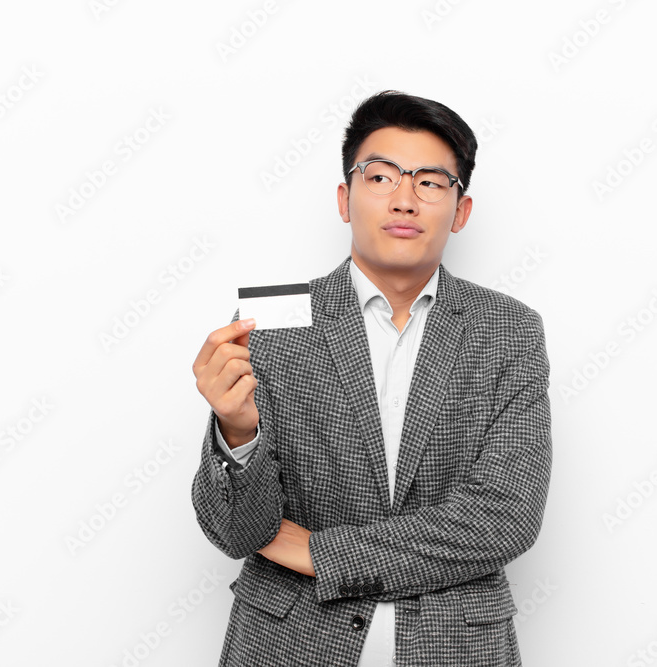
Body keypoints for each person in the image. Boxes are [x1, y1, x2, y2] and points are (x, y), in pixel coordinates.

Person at [191, 90, 552, 666]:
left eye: (430, 182)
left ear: (460, 211)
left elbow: (504, 519)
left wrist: (318, 552)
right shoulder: (268, 323)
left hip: (456, 646)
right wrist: (237, 431)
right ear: (345, 198)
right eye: (380, 177)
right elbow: (238, 533)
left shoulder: (508, 329)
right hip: (287, 645)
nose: (404, 200)